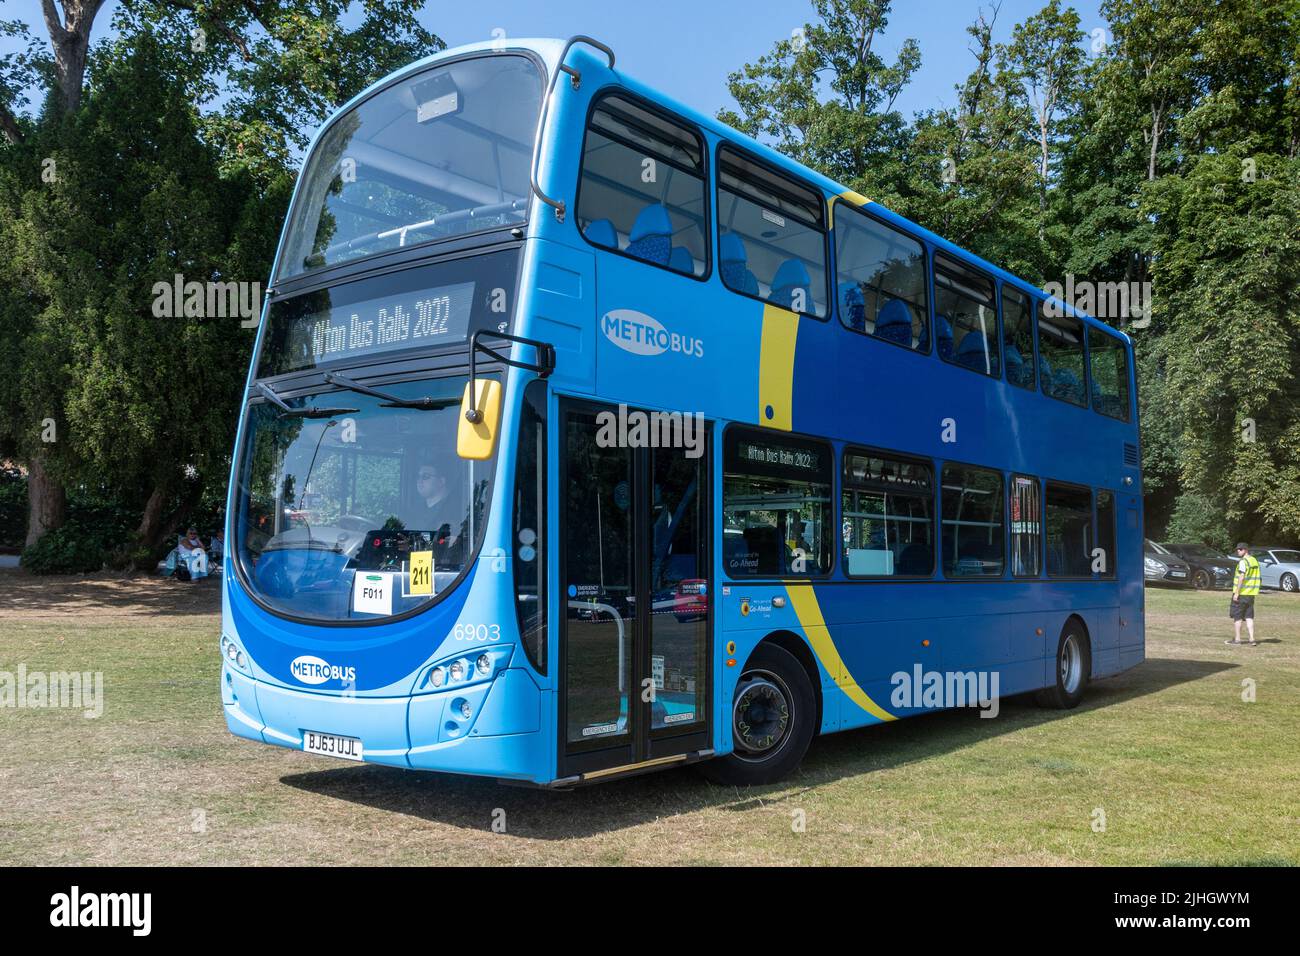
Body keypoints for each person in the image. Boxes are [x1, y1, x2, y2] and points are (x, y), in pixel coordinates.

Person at [1227, 541, 1260, 646]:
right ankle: (1252, 639)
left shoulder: (1243, 562)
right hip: (1251, 594)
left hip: (1242, 593)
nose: (1238, 551)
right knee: (1249, 616)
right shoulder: (1254, 560)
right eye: (1237, 549)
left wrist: (1237, 593)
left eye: (1240, 549)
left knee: (1238, 617)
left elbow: (1242, 577)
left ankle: (1237, 640)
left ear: (1246, 550)